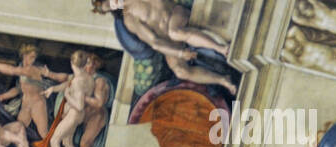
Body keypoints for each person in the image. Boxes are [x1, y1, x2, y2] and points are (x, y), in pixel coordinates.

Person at [93, 0, 235, 89]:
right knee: (181, 71)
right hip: (168, 42)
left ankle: (221, 49)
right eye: (111, 6)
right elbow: (154, 42)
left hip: (176, 15)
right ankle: (223, 80)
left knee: (175, 32)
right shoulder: (129, 19)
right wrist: (178, 53)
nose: (115, 3)